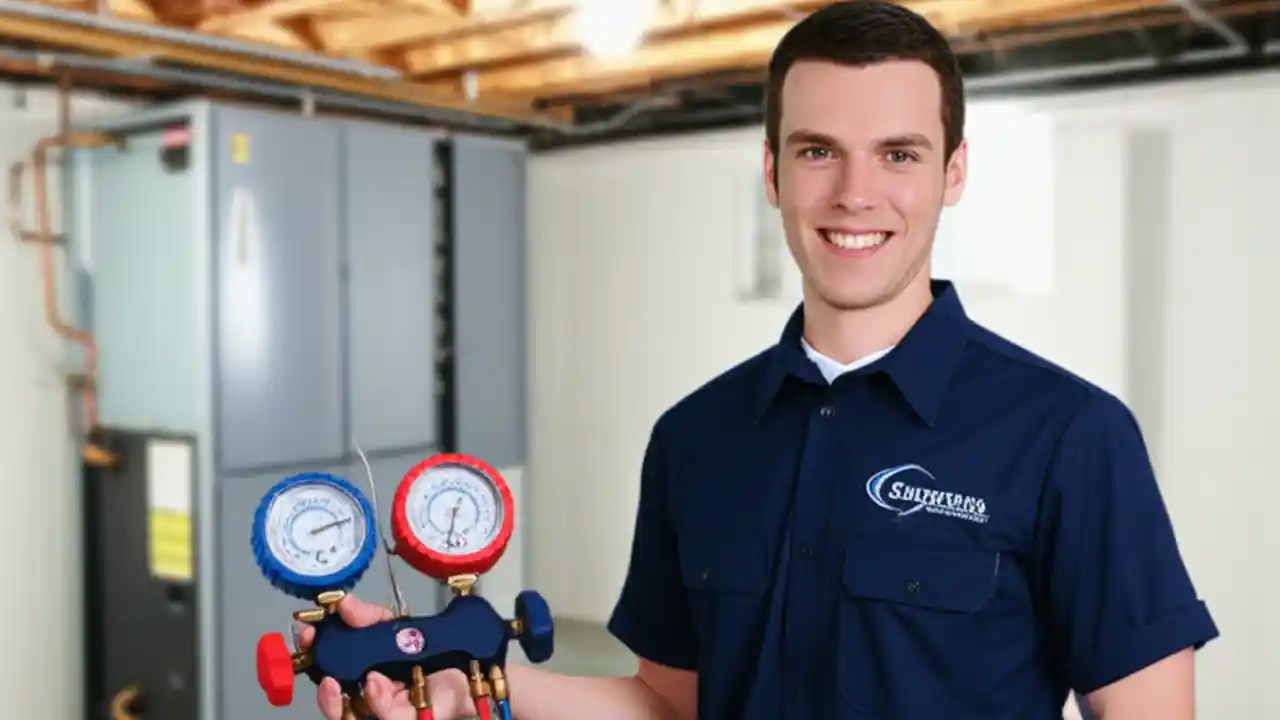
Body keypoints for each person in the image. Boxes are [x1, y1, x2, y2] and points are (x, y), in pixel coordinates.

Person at [304, 2, 1218, 718]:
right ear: (774, 172)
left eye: (898, 154)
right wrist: (472, 684)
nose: (856, 194)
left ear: (954, 173)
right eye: (819, 151)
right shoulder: (695, 438)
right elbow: (667, 705)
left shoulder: (1070, 436)